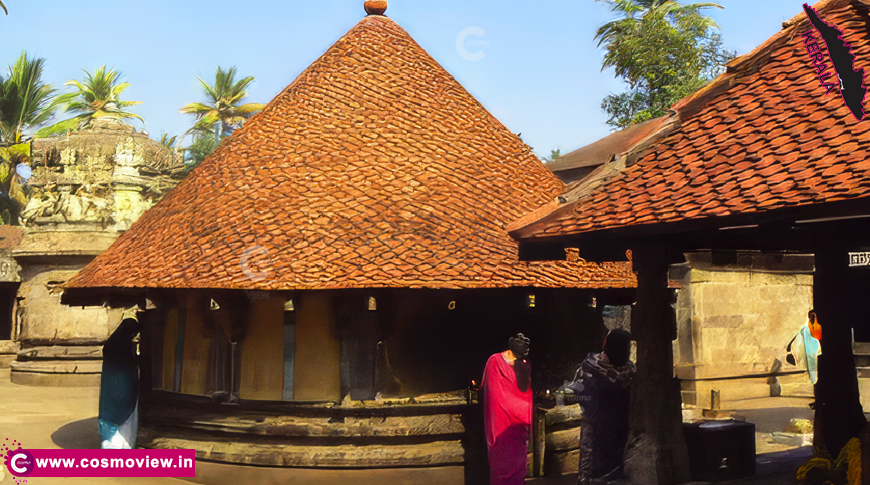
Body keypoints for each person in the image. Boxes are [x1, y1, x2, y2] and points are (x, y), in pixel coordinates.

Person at [567, 329, 635, 485]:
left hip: (620, 431)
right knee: (591, 472)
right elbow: (582, 394)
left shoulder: (630, 370)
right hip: (596, 428)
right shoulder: (591, 366)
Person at [480, 333, 533, 484]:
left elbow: (524, 391)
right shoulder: (495, 361)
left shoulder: (523, 364)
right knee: (501, 464)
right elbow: (492, 392)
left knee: (518, 465)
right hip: (500, 424)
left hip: (518, 426)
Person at [99, 318, 142, 449]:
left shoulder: (113, 346)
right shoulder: (123, 350)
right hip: (122, 390)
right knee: (122, 427)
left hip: (110, 392)